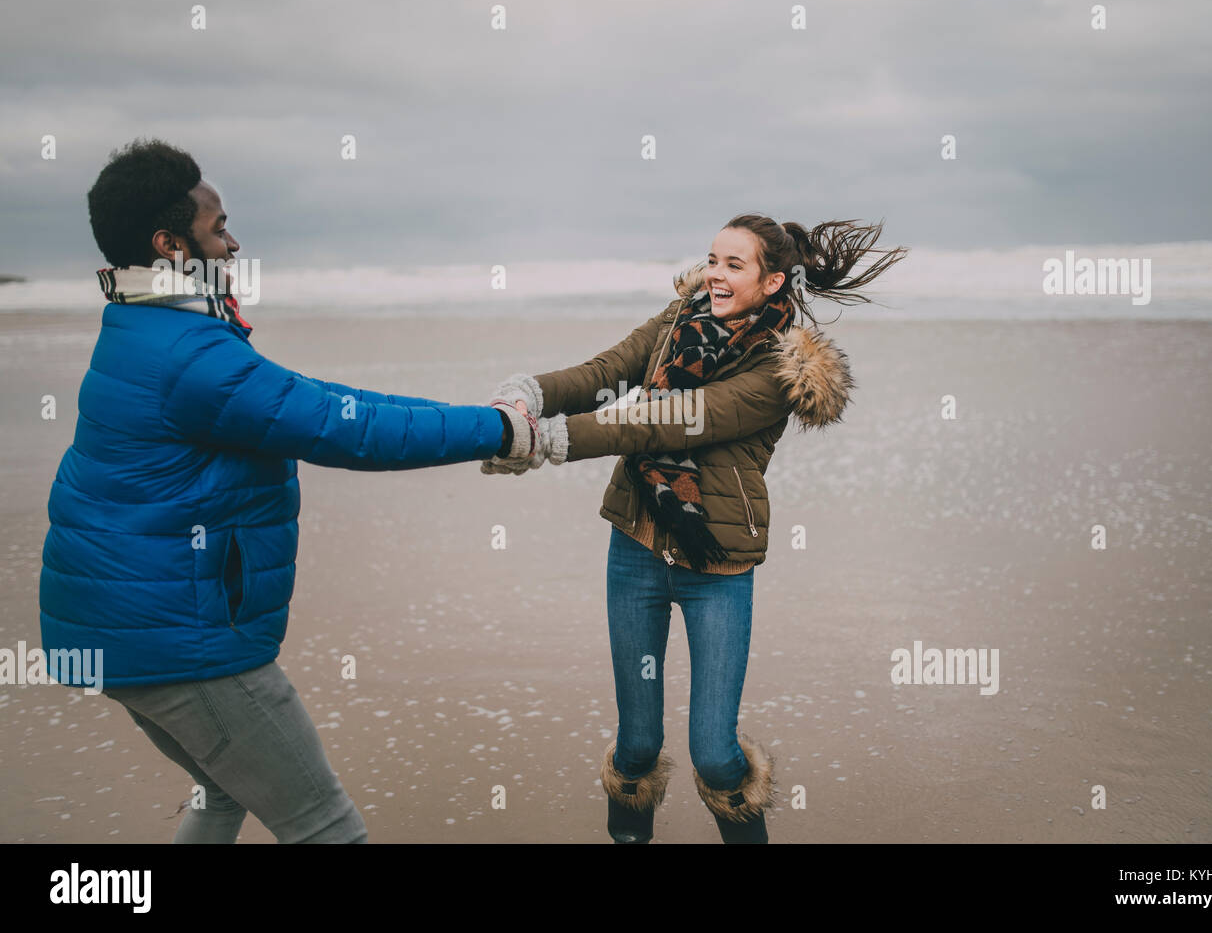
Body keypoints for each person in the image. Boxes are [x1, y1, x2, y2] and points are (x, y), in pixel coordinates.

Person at [38, 138, 540, 843]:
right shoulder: (191, 355)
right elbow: (346, 432)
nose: (235, 242)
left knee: (220, 793)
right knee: (327, 827)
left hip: (115, 626)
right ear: (171, 246)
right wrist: (496, 432)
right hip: (180, 637)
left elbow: (317, 400)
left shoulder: (146, 327)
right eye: (218, 230)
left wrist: (487, 423)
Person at [481, 213, 907, 842]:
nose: (715, 274)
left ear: (772, 282)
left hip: (716, 564)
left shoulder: (778, 370)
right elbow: (609, 372)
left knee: (713, 752)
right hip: (636, 547)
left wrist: (546, 442)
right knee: (636, 748)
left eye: (735, 265)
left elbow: (675, 419)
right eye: (713, 258)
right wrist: (528, 398)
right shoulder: (680, 319)